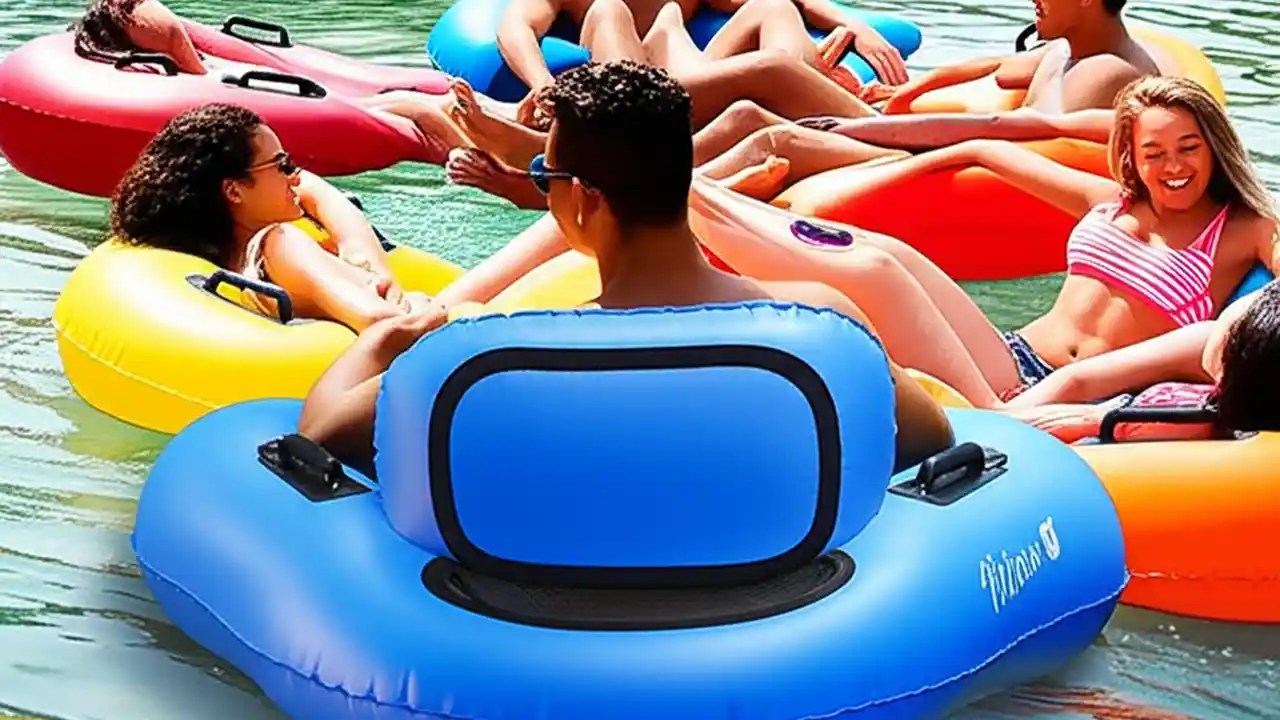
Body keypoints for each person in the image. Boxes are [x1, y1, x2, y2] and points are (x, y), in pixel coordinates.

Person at [299, 60, 955, 473]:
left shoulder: (496, 352)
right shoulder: (823, 321)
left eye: (542, 174)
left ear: (584, 199)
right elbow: (929, 437)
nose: (544, 189)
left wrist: (386, 337)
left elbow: (323, 436)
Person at [683, 76, 1280, 411]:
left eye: (1188, 148)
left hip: (1046, 393)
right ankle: (684, 193)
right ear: (1132, 156)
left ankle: (677, 195)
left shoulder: (1245, 229)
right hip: (1006, 353)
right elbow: (987, 145)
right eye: (1154, 152)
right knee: (890, 252)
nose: (1172, 167)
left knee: (877, 273)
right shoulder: (1111, 200)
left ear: (1214, 148)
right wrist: (877, 151)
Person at [112, 103, 435, 331]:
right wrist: (425, 307)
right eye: (282, 165)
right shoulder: (280, 243)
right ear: (234, 191)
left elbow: (312, 188)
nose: (294, 175)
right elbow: (383, 322)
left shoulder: (235, 261)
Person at [497, 0, 909, 113]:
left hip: (691, 81)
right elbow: (515, 26)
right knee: (610, 8)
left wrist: (859, 29)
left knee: (775, 6)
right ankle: (816, 88)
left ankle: (810, 92)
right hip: (631, 97)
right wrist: (543, 86)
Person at [1002, 278, 1280, 442]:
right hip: (1039, 387)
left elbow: (1079, 418)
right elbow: (1079, 380)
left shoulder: (1186, 418)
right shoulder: (1206, 345)